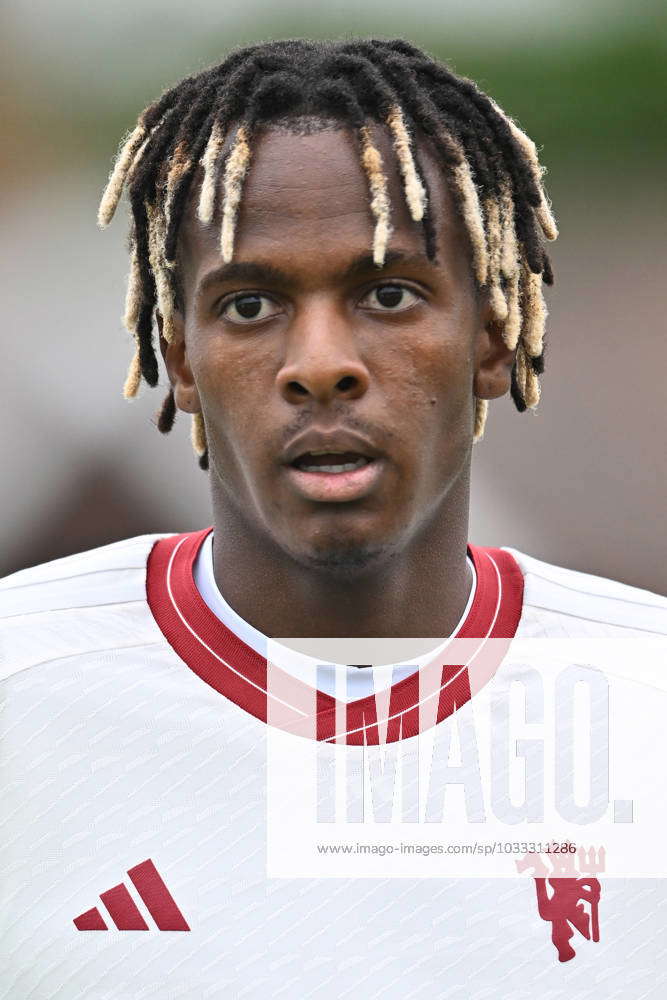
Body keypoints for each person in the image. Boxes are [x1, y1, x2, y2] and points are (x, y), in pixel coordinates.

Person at [1, 37, 665, 999]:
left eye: (388, 294)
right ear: (179, 359)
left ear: (490, 336)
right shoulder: (22, 688)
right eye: (249, 304)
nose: (319, 362)